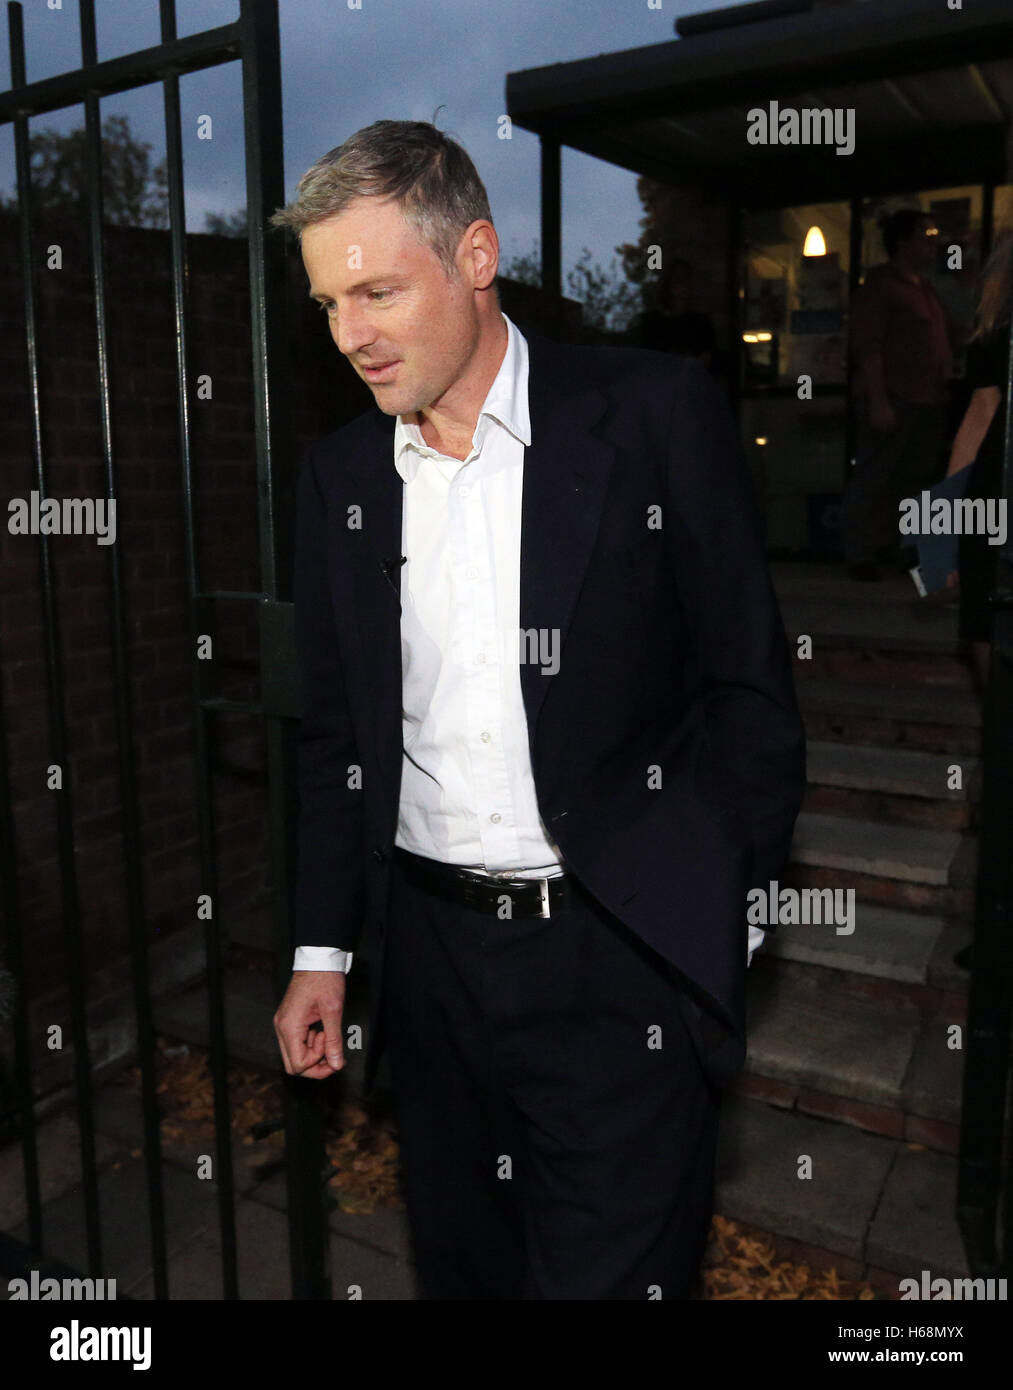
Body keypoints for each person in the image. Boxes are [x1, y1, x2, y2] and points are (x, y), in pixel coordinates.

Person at [270, 120, 806, 1301]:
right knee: (466, 1272)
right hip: (426, 966)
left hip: (614, 955)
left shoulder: (653, 415)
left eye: (374, 291)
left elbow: (747, 693)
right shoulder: (341, 479)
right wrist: (322, 951)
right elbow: (334, 739)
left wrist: (718, 917)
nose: (347, 334)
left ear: (473, 255)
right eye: (324, 304)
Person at [843, 209, 966, 581]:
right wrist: (879, 401)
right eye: (925, 234)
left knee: (913, 479)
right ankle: (862, 552)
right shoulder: (881, 287)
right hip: (896, 396)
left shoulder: (924, 289)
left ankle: (902, 547)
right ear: (903, 242)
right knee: (877, 473)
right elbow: (869, 348)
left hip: (929, 399)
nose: (933, 241)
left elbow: (951, 332)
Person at [942, 231, 1013, 695]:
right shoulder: (999, 315)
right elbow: (979, 413)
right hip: (996, 486)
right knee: (987, 629)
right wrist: (942, 527)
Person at [638, 257, 720, 372]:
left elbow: (711, 361)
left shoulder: (701, 323)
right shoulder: (652, 322)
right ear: (668, 284)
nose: (685, 285)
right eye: (679, 279)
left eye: (688, 279)